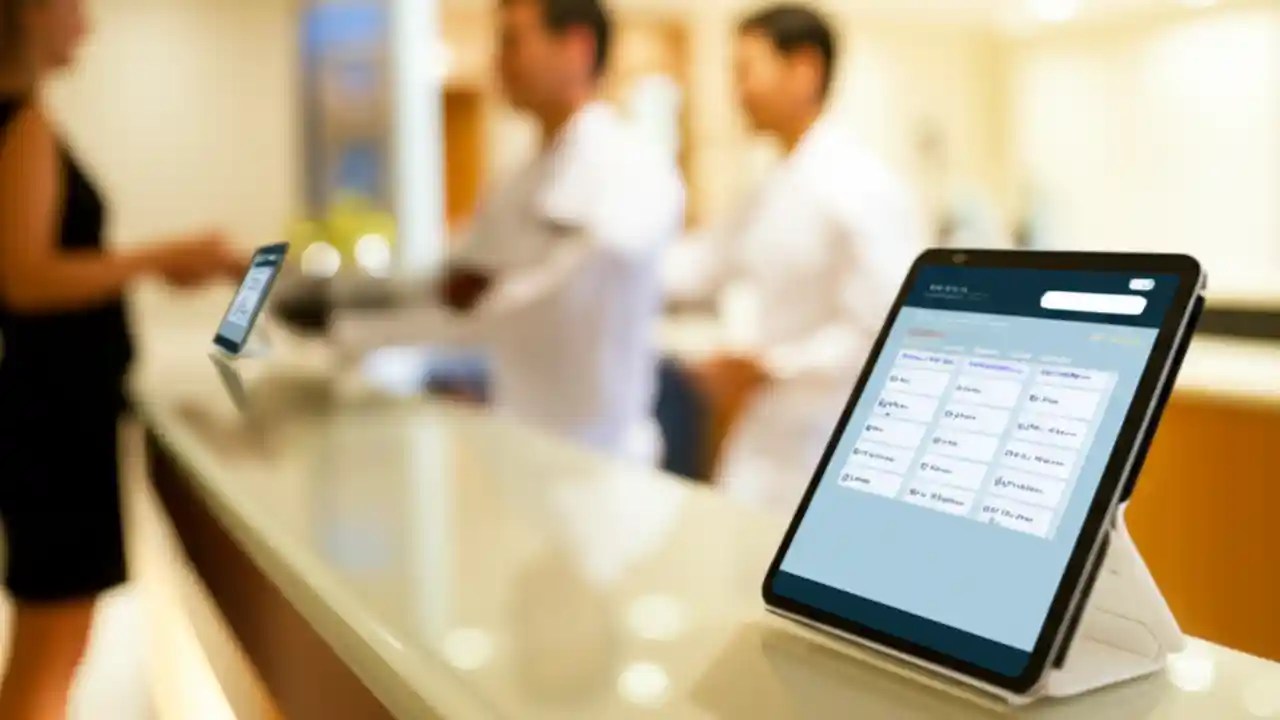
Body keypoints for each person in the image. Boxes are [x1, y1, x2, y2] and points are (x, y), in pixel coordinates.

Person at [0, 0, 243, 716]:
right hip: (53, 416)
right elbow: (25, 276)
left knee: (55, 641)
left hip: (54, 409)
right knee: (53, 642)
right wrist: (161, 257)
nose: (87, 21)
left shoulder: (24, 120)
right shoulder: (24, 125)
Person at [336, 0, 684, 463]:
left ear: (576, 48)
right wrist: (346, 305)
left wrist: (361, 334)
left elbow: (528, 306)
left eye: (513, 42)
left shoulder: (631, 170)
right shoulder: (519, 181)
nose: (499, 62)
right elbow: (456, 280)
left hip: (602, 459)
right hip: (525, 446)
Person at [666, 4, 925, 512]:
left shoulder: (860, 187)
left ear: (803, 69)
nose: (736, 91)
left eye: (746, 71)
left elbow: (891, 329)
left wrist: (770, 367)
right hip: (768, 438)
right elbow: (700, 265)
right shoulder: (773, 185)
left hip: (831, 438)